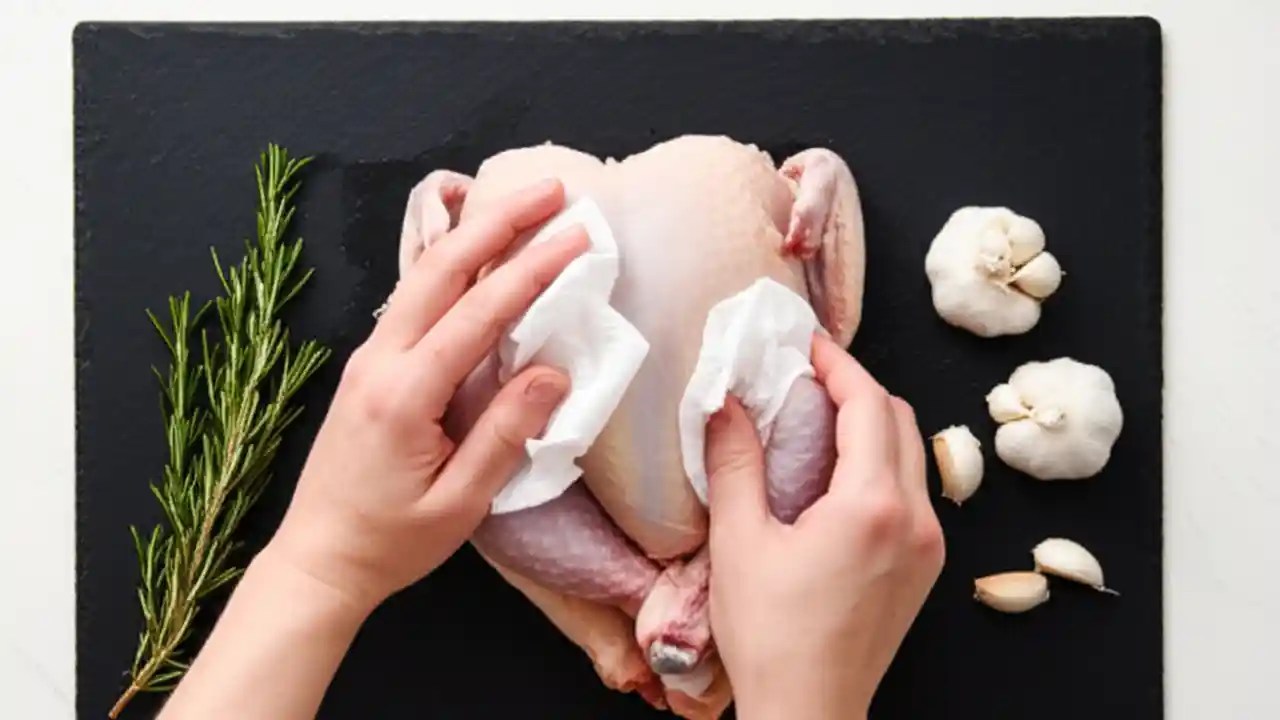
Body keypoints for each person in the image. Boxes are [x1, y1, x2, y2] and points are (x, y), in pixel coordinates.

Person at [157, 179, 945, 720]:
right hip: (686, 463)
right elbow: (828, 330)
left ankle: (674, 600)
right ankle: (667, 598)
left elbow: (826, 300)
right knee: (486, 457)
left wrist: (324, 563)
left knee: (475, 443)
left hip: (707, 408)